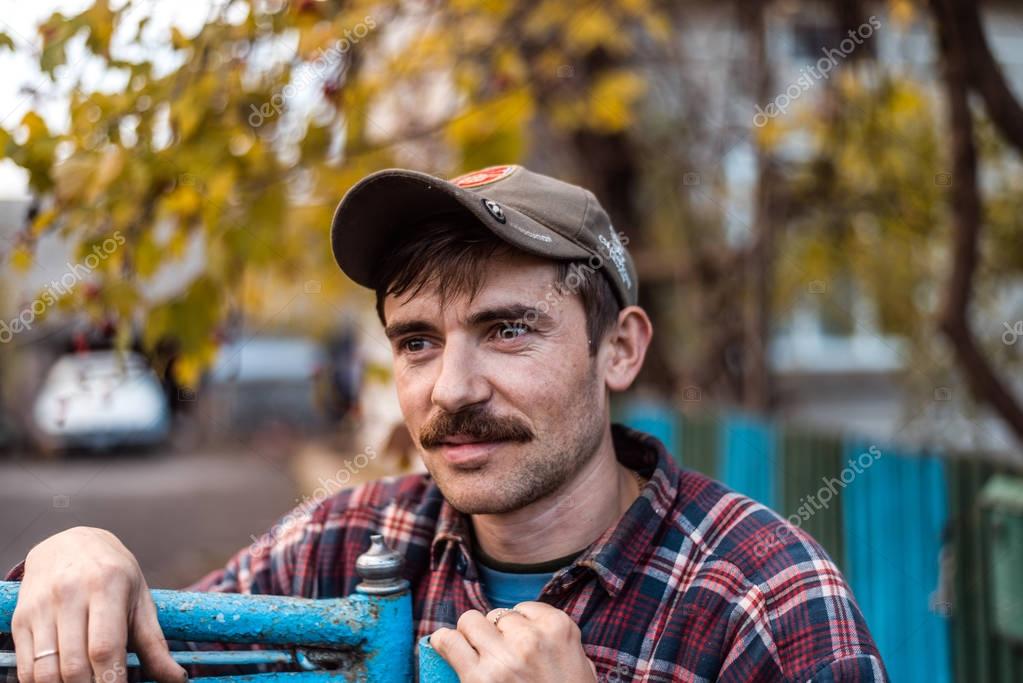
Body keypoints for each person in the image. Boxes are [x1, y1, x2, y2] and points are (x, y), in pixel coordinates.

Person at [3, 165, 887, 682]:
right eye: (418, 342)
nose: (449, 389)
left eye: (506, 329)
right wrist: (73, 561)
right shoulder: (338, 545)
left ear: (617, 349)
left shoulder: (758, 600)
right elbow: (141, 644)